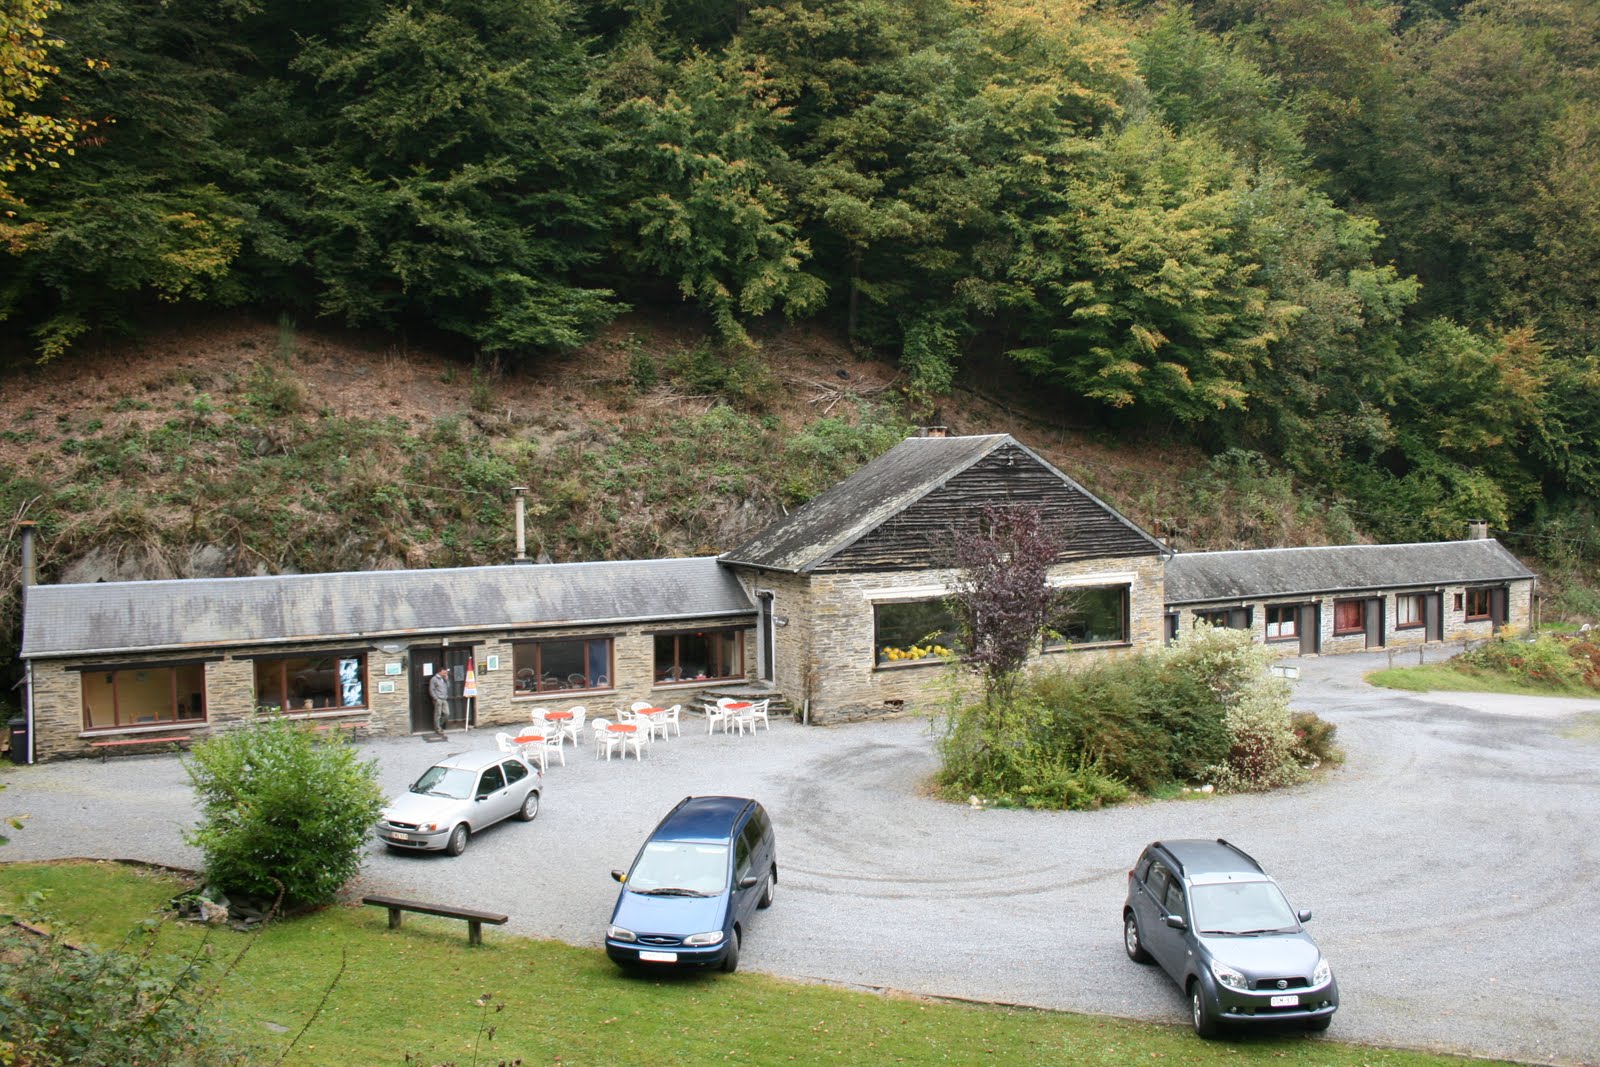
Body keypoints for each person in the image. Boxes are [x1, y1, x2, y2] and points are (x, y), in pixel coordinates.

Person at [429, 668, 451, 733]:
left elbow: (448, 687)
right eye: (444, 673)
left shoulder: (444, 679)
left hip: (444, 699)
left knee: (447, 713)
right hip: (438, 699)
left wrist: (447, 680)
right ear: (439, 672)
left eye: (445, 673)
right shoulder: (434, 679)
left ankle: (439, 725)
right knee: (438, 714)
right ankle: (437, 729)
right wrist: (435, 698)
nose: (445, 674)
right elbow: (431, 689)